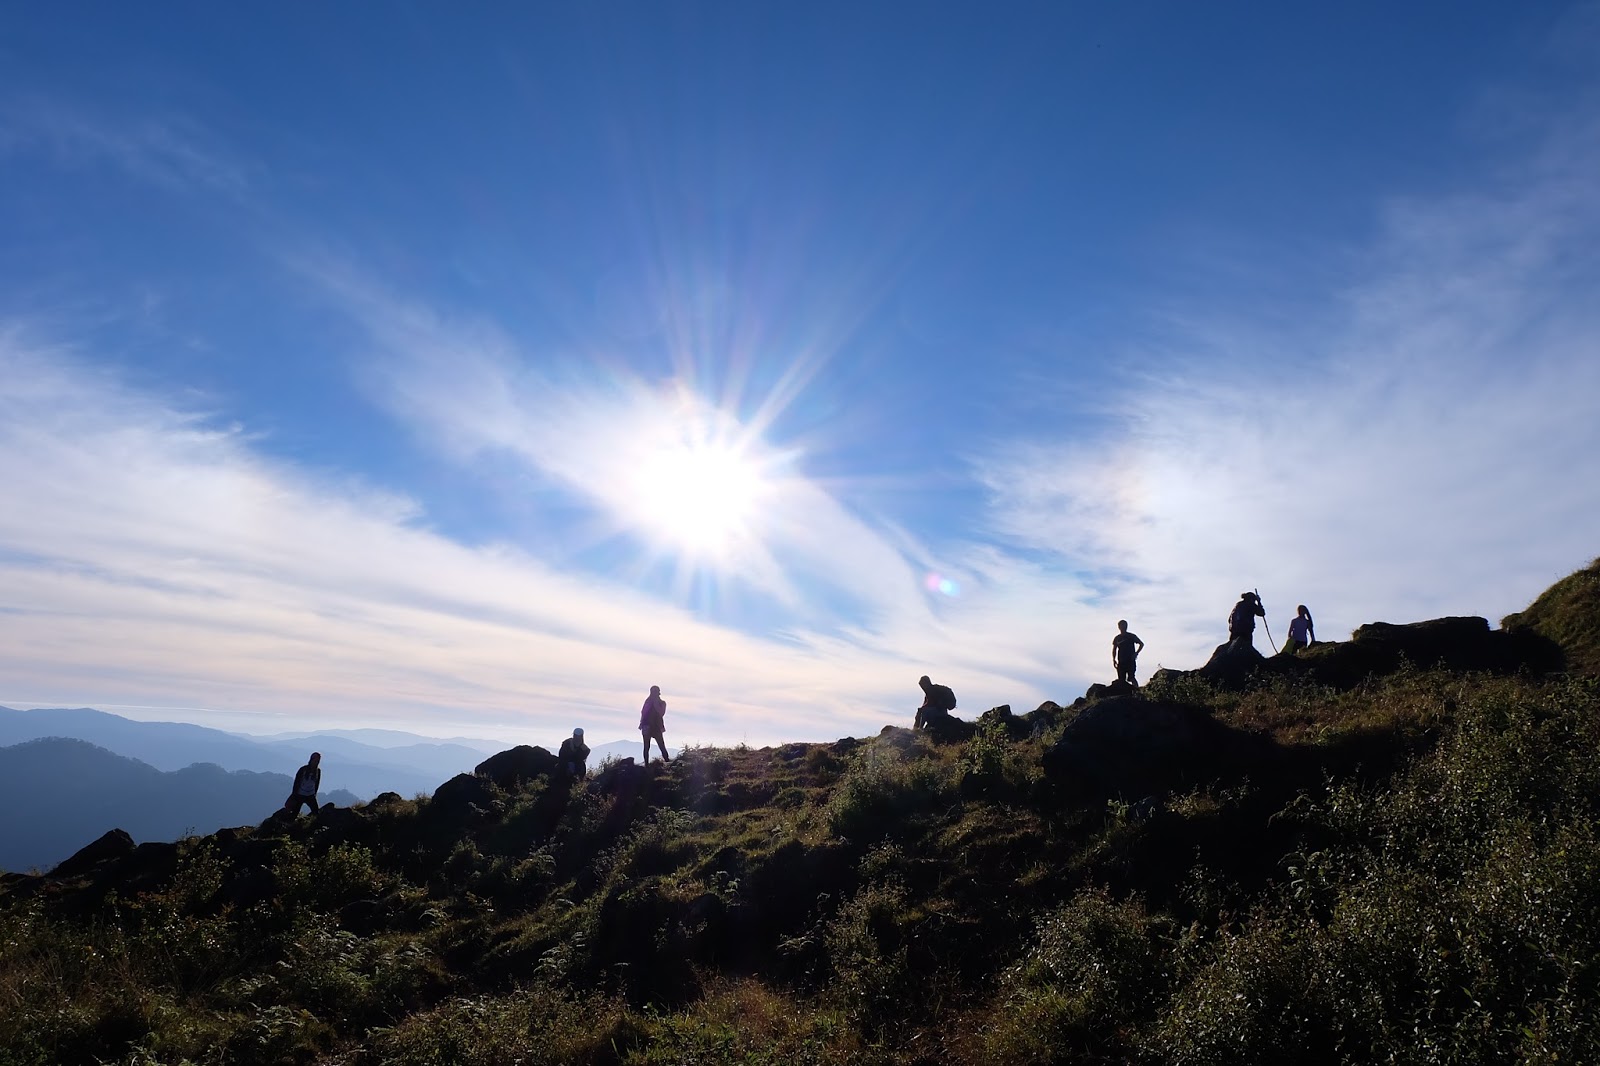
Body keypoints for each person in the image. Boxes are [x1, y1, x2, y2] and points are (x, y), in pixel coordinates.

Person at [640, 685, 669, 764]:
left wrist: (655, 703)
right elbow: (643, 712)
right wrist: (641, 723)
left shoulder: (662, 703)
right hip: (647, 726)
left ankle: (667, 762)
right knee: (646, 747)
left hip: (656, 727)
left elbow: (661, 713)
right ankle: (646, 765)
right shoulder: (648, 702)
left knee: (661, 746)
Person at [1112, 620, 1145, 688]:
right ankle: (1124, 694)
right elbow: (1114, 649)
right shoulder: (1117, 638)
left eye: (1124, 625)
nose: (1123, 627)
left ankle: (1137, 692)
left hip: (1130, 660)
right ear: (1119, 627)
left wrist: (1136, 653)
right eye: (1121, 626)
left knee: (1132, 677)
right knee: (1121, 680)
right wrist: (1114, 659)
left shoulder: (1131, 636)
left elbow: (1141, 644)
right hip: (1121, 661)